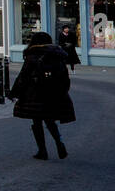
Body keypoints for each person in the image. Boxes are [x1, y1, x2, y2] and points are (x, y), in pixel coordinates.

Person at [7, 32, 75, 160]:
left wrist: (14, 93)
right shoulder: (57, 54)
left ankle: (42, 151)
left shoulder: (32, 55)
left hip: (35, 94)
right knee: (50, 120)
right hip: (53, 93)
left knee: (37, 121)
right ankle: (59, 143)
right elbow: (64, 77)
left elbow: (23, 76)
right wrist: (63, 92)